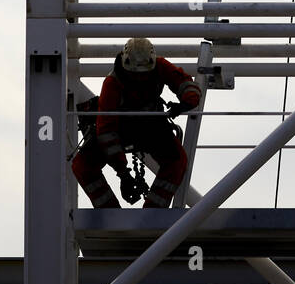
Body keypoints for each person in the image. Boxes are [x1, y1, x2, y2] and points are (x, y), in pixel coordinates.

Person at [72, 38, 201, 209]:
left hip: (151, 127)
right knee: (82, 166)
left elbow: (187, 84)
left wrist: (186, 103)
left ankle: (153, 212)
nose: (140, 78)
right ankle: (109, 212)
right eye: (135, 74)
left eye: (144, 74)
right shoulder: (112, 83)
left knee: (177, 161)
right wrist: (123, 173)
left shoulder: (161, 66)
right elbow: (106, 130)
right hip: (120, 128)